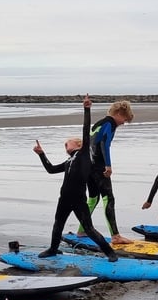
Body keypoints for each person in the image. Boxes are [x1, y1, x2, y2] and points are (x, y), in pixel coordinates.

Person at [34, 95, 119, 262]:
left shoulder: (83, 155)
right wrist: (41, 154)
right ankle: (53, 249)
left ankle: (110, 253)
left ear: (80, 145)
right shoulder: (69, 161)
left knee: (89, 229)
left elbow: (85, 129)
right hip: (64, 198)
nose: (65, 144)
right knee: (58, 224)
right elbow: (51, 169)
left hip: (79, 199)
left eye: (68, 142)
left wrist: (86, 109)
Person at [81, 99, 135, 244]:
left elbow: (89, 143)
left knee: (93, 198)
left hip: (88, 166)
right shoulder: (110, 123)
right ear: (118, 113)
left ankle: (82, 230)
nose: (123, 122)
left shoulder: (98, 123)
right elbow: (105, 144)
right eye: (124, 119)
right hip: (99, 167)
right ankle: (116, 236)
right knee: (108, 198)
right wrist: (108, 165)